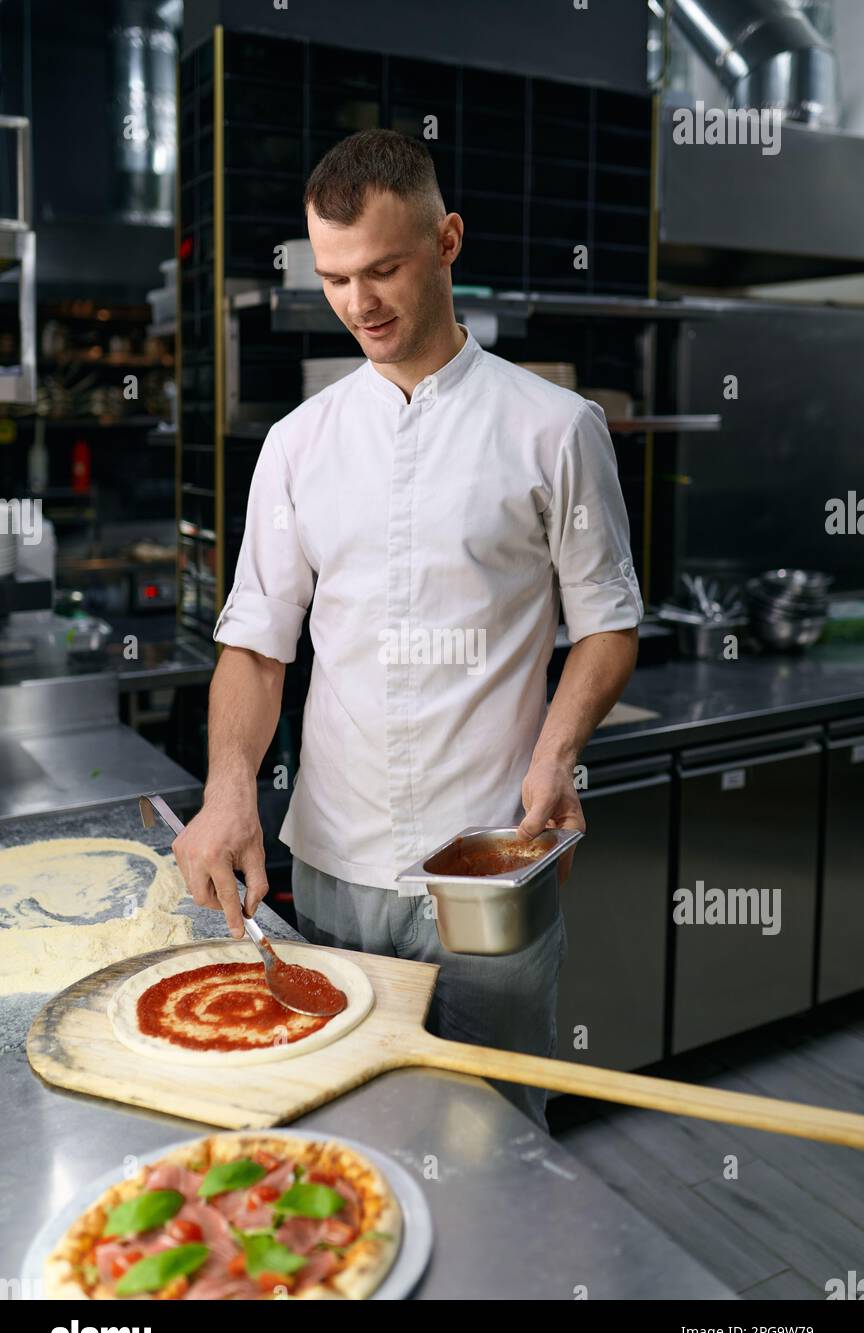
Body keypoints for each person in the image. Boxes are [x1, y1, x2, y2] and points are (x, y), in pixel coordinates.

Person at [172, 129, 643, 1130]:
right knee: (347, 1122)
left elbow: (607, 623)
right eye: (337, 278)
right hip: (337, 863)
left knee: (496, 1133)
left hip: (490, 861)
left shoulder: (555, 427)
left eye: (383, 268)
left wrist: (558, 754)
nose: (360, 303)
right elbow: (256, 644)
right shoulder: (298, 445)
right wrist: (228, 793)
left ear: (447, 242)